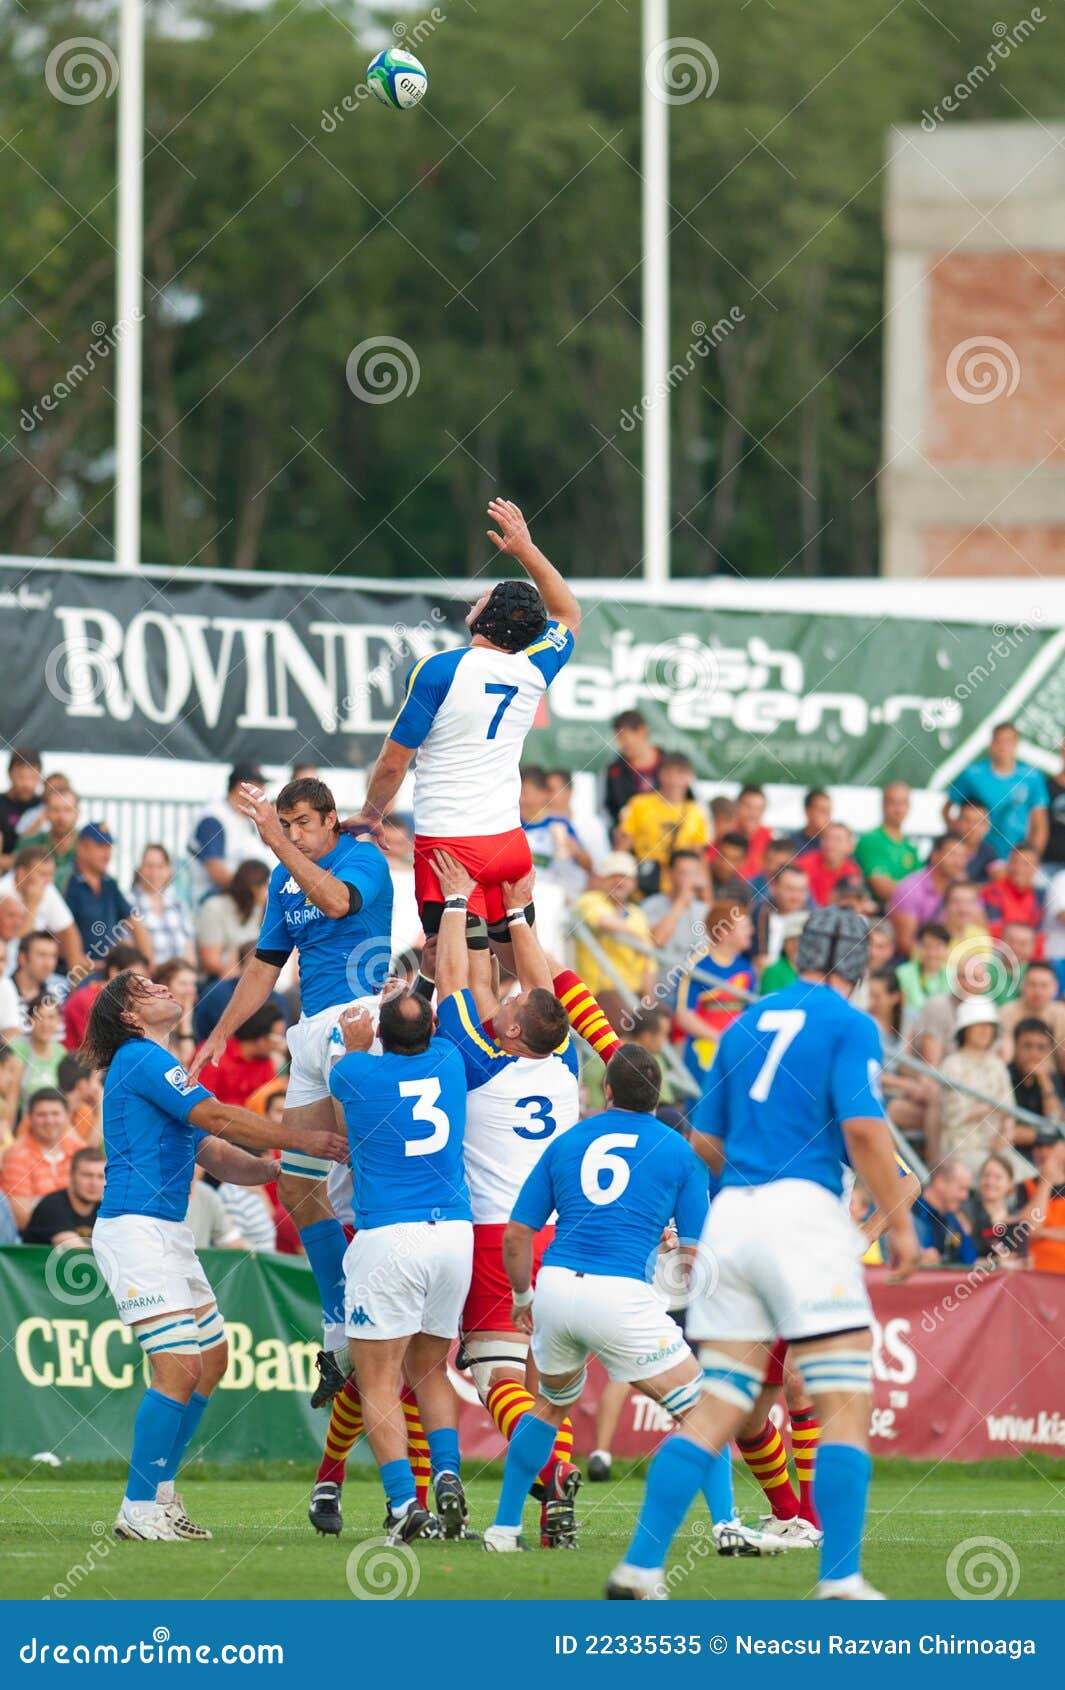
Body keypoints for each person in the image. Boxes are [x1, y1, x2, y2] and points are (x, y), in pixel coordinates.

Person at [606, 905, 919, 1601]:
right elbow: (866, 1131)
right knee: (841, 1400)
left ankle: (640, 1566)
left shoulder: (744, 1022)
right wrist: (898, 1225)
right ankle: (838, 1577)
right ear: (858, 963)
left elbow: (706, 1141)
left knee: (718, 1404)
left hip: (732, 1216)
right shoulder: (848, 1024)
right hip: (799, 1213)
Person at [82, 967, 346, 1541]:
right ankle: (136, 1508)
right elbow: (219, 1117)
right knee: (179, 1365)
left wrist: (280, 1171)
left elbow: (217, 1153)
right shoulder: (141, 1058)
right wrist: (305, 1140)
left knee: (214, 1357)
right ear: (129, 1016)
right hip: (135, 1231)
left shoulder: (157, 1067)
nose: (160, 987)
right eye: (145, 988)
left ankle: (161, 1493)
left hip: (165, 1233)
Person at [189, 777, 393, 1409]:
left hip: (359, 1019)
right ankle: (338, 1332)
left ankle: (389, 1312)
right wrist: (220, 1031)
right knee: (299, 1185)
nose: (295, 833)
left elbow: (334, 902)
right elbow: (263, 967)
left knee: (370, 1177)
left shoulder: (362, 858)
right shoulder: (282, 879)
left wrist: (278, 843)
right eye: (286, 824)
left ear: (331, 820)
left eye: (304, 822)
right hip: (308, 1032)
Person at [484, 1045, 725, 1557]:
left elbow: (515, 1235)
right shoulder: (681, 1152)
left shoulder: (567, 1141)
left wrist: (523, 1298)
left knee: (548, 1408)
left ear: (607, 1091)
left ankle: (503, 1529)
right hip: (618, 1293)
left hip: (555, 1288)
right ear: (658, 1099)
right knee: (705, 1413)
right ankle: (729, 1528)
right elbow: (693, 1255)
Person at [351, 499, 579, 947]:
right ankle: (592, 1023)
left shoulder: (439, 669)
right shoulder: (534, 669)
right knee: (527, 964)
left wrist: (372, 814)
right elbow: (568, 613)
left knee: (458, 968)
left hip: (449, 843)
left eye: (486, 597)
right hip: (507, 842)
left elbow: (395, 763)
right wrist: (527, 551)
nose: (478, 598)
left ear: (487, 617)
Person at [328, 991, 474, 1545]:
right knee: (432, 1370)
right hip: (453, 1235)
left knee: (379, 1382)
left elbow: (342, 1076)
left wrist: (356, 1042)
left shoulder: (358, 1072)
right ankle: (448, 1475)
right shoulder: (450, 1060)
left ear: (383, 1035)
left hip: (388, 1234)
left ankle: (402, 1505)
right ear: (433, 1028)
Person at [673, 903, 755, 1084]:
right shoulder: (696, 965)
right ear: (725, 932)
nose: (751, 931)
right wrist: (720, 1039)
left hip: (737, 1051)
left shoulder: (746, 967)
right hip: (702, 1051)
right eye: (745, 927)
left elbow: (749, 1014)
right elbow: (684, 1015)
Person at [572, 853, 655, 1032]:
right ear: (603, 880)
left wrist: (649, 1000)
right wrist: (635, 935)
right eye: (613, 876)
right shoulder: (590, 900)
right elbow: (603, 921)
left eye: (625, 877)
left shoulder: (638, 914)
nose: (619, 882)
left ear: (633, 883)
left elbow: (648, 963)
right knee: (629, 1025)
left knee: (660, 1021)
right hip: (597, 992)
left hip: (632, 991)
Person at [946, 721, 1049, 865]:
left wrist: (1029, 861)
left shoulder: (1032, 777)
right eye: (999, 741)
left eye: (1008, 741)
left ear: (1016, 744)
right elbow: (947, 810)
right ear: (991, 744)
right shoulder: (972, 774)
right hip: (977, 859)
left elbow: (1040, 826)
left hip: (1015, 859)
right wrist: (961, 844)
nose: (1003, 747)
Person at [932, 999, 1014, 1172]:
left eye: (989, 1026)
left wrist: (1005, 1135)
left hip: (998, 1149)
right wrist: (994, 1106)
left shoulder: (997, 1065)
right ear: (965, 1030)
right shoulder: (952, 1064)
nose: (985, 1031)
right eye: (978, 1025)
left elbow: (1010, 1110)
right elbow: (955, 1114)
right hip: (962, 1150)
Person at [618, 752, 709, 896]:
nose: (674, 780)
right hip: (642, 886)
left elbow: (699, 857)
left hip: (677, 890)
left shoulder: (696, 812)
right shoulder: (639, 804)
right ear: (660, 775)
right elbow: (622, 849)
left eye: (680, 774)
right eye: (669, 773)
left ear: (690, 776)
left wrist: (706, 896)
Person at [64, 824, 152, 968]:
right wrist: (98, 967)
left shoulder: (109, 883)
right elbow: (62, 933)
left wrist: (148, 965)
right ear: (81, 848)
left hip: (107, 972)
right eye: (100, 846)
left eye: (109, 847)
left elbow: (134, 921)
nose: (107, 854)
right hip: (73, 974)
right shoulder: (67, 881)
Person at [187, 762, 275, 904]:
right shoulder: (213, 818)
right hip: (218, 900)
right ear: (242, 787)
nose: (263, 792)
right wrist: (257, 893)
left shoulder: (246, 819)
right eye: (258, 786)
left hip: (248, 901)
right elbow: (217, 873)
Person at [0, 1087, 85, 1229]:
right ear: (30, 1118)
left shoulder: (79, 1151)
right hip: (38, 1241)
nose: (49, 1120)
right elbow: (21, 1217)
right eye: (42, 1115)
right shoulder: (16, 1154)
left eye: (55, 1113)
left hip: (80, 1233)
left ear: (67, 1116)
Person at [0, 845, 82, 974]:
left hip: (38, 969)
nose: (49, 880)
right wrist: (32, 904)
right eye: (42, 874)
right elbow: (19, 947)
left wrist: (75, 975)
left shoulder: (47, 889)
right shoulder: (3, 892)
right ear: (21, 874)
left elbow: (69, 931)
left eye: (51, 874)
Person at [888, 834, 971, 957]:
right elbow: (904, 943)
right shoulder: (910, 888)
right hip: (917, 964)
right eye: (952, 854)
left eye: (962, 856)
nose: (958, 862)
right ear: (935, 856)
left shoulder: (962, 888)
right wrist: (946, 964)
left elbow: (978, 925)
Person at [642, 850, 712, 998]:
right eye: (684, 873)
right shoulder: (651, 905)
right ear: (670, 874)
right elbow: (657, 940)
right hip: (661, 992)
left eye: (694, 873)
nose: (689, 879)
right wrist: (681, 902)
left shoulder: (704, 910)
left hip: (695, 995)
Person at [62, 943, 149, 1056]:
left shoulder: (124, 1000)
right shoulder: (88, 999)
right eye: (135, 976)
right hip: (80, 1065)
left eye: (142, 979)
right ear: (114, 972)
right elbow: (95, 1048)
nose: (140, 984)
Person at [196, 1003, 285, 1109]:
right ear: (261, 1040)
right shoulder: (213, 1055)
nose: (281, 1044)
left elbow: (270, 1103)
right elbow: (203, 1105)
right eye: (278, 1038)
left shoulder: (265, 1061)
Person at [195, 859, 271, 982]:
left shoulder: (259, 909)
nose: (267, 891)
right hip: (221, 981)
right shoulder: (215, 907)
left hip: (254, 979)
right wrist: (243, 974)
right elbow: (210, 961)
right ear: (252, 887)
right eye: (264, 885)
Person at [21, 1144, 106, 1246]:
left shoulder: (104, 1210)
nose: (94, 1183)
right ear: (71, 1175)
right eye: (87, 1175)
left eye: (101, 1177)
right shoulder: (51, 1206)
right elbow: (76, 1251)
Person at [853, 783, 920, 907]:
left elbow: (921, 884)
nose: (898, 809)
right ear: (883, 805)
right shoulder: (870, 840)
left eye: (903, 803)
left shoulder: (911, 846)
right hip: (878, 917)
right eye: (893, 802)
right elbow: (883, 889)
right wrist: (920, 897)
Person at [130, 844, 195, 966]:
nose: (154, 872)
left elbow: (189, 951)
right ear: (140, 869)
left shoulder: (179, 905)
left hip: (179, 979)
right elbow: (127, 951)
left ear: (169, 870)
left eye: (160, 866)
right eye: (149, 866)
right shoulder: (128, 902)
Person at [1007, 1017, 1065, 1146]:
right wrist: (1045, 1136)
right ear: (1015, 1046)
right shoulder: (1003, 1075)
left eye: (1041, 1048)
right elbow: (1004, 1131)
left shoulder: (1051, 1077)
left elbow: (1056, 1121)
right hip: (1011, 1151)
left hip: (1045, 1150)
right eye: (1027, 1046)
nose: (1034, 1053)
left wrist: (1044, 1081)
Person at [604, 710, 665, 828]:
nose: (621, 744)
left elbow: (688, 803)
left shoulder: (670, 764)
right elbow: (608, 810)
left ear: (642, 731)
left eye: (624, 737)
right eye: (617, 739)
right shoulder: (614, 770)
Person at [1017, 1128, 1065, 1274]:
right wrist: (1046, 1182)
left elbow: (1034, 1231)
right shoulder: (1025, 1186)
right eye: (1038, 1147)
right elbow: (1027, 1229)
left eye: (1049, 1147)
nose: (1043, 1153)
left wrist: (1042, 1232)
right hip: (1036, 1276)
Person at [912, 1159, 977, 1267]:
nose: (965, 1196)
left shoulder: (953, 1220)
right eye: (961, 1189)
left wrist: (997, 1263)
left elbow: (970, 1263)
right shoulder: (910, 1211)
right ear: (939, 1182)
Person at [1000, 961, 1065, 1069]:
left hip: (1053, 1075)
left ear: (1055, 988)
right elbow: (1006, 1054)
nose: (1038, 992)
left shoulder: (1061, 1013)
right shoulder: (1007, 1011)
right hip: (1015, 1073)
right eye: (1032, 985)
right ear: (1022, 986)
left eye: (1044, 986)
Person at [966, 1151, 1027, 1263]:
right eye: (986, 1175)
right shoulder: (967, 1211)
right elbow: (961, 1259)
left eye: (998, 1177)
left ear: (1011, 1184)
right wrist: (996, 1262)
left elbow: (1022, 1260)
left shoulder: (1017, 1219)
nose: (990, 1182)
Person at [19, 780, 79, 889]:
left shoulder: (89, 846)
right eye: (55, 810)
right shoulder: (29, 844)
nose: (61, 817)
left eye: (67, 810)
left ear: (77, 813)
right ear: (46, 812)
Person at [9, 993, 65, 1107]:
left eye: (51, 1017)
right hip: (21, 1118)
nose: (45, 1024)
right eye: (39, 1017)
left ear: (58, 1020)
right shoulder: (16, 1048)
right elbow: (11, 1097)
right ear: (30, 1020)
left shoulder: (61, 1052)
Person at [752, 862, 810, 968]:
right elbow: (760, 961)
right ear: (773, 887)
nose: (796, 897)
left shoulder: (811, 918)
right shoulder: (761, 912)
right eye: (790, 889)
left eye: (802, 890)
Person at [983, 845, 1044, 937]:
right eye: (1014, 862)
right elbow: (993, 930)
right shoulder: (993, 891)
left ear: (1036, 867)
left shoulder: (1039, 897)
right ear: (1008, 864)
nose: (1019, 869)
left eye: (1026, 864)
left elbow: (1038, 934)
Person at [895, 921, 951, 1015]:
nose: (932, 953)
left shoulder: (954, 976)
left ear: (947, 949)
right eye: (926, 946)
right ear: (917, 948)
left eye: (937, 947)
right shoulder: (902, 973)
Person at [0, 750, 43, 872]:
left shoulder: (45, 806)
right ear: (10, 774)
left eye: (33, 777)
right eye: (21, 776)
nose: (27, 783)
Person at [803, 823, 861, 908]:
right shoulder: (804, 864)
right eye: (827, 838)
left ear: (850, 846)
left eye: (838, 840)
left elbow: (854, 904)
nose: (831, 844)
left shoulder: (852, 870)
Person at [758, 910, 807, 993]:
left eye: (802, 939)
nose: (796, 945)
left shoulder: (819, 972)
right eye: (792, 939)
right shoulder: (773, 972)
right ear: (784, 942)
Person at [733, 785, 772, 879]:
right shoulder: (723, 835)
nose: (753, 814)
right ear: (736, 807)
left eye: (759, 809)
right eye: (748, 807)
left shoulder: (769, 839)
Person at [787, 788, 831, 858]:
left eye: (829, 811)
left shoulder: (833, 845)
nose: (827, 815)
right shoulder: (791, 843)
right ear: (808, 812)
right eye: (822, 810)